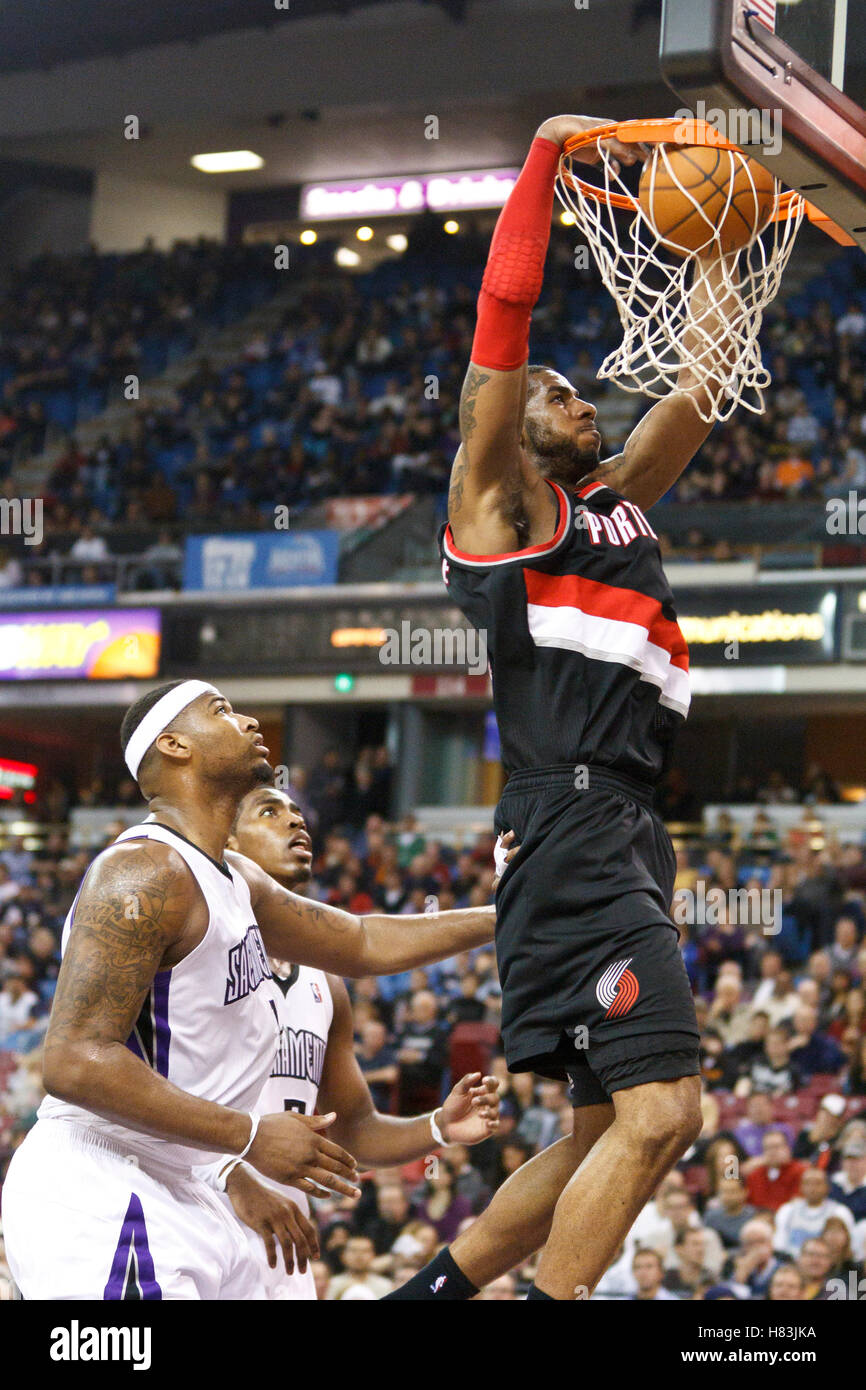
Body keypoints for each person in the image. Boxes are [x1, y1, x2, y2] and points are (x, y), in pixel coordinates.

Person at [392, 108, 737, 1302]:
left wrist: (718, 243)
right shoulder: (499, 505)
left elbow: (697, 385)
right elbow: (501, 327)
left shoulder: (615, 498)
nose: (572, 393)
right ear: (505, 429)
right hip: (572, 821)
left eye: (574, 387)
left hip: (623, 828)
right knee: (664, 1113)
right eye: (550, 391)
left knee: (601, 1137)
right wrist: (543, 157)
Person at [2, 680, 496, 1300]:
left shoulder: (237, 880)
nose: (250, 720)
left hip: (191, 1183)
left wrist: (503, 916)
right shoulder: (144, 871)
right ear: (175, 745)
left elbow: (363, 942)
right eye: (222, 710)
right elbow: (73, 1061)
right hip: (105, 1178)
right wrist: (249, 1136)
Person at [213, 784, 499, 1298]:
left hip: (283, 1228)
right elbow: (129, 1082)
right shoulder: (199, 945)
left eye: (298, 813)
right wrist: (231, 1172)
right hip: (195, 1203)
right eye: (270, 811)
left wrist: (438, 1126)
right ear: (227, 840)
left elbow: (353, 1128)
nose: (295, 822)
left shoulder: (325, 982)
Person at [774, 1167, 855, 1256]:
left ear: (827, 1187)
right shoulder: (788, 1210)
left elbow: (848, 1247)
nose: (812, 1188)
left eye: (817, 1183)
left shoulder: (840, 1212)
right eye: (807, 1183)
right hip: (791, 1264)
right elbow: (779, 1244)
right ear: (801, 1186)